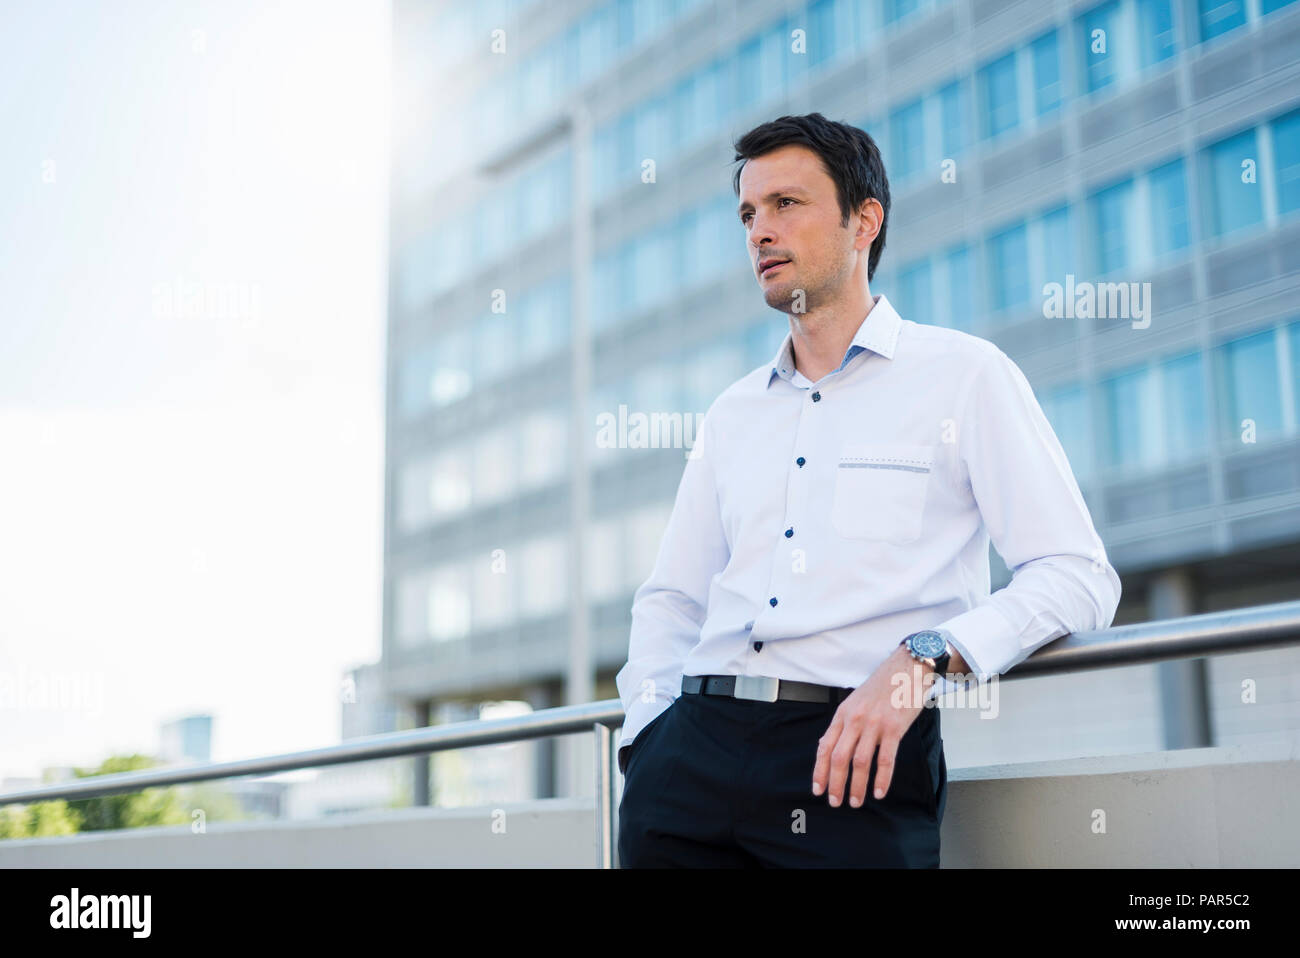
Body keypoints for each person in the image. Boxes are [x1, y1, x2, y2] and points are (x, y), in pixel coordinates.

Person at [614, 113, 1122, 868]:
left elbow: (1079, 576)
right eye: (749, 213)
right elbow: (673, 601)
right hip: (687, 766)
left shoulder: (964, 376)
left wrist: (925, 658)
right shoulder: (733, 413)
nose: (759, 231)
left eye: (786, 204)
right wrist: (646, 739)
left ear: (864, 222)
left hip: (854, 763)